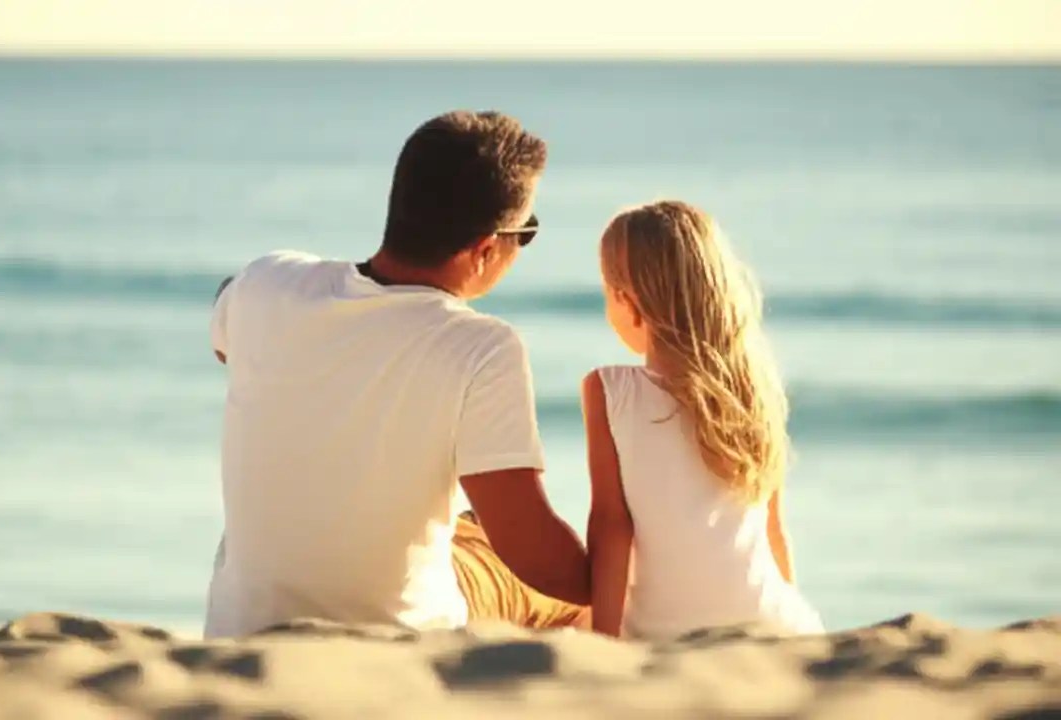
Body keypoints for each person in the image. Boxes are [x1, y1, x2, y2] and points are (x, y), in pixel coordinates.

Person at [206, 111, 588, 637]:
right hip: (399, 639)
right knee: (564, 598)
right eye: (526, 233)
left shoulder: (263, 284)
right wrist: (619, 579)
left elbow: (224, 320)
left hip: (241, 634)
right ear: (484, 249)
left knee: (464, 529)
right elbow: (530, 549)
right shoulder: (481, 347)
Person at [584, 201, 823, 640]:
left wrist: (603, 641)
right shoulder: (754, 385)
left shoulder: (609, 390)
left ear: (627, 303)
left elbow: (611, 527)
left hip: (663, 634)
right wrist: (796, 635)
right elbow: (773, 529)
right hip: (774, 624)